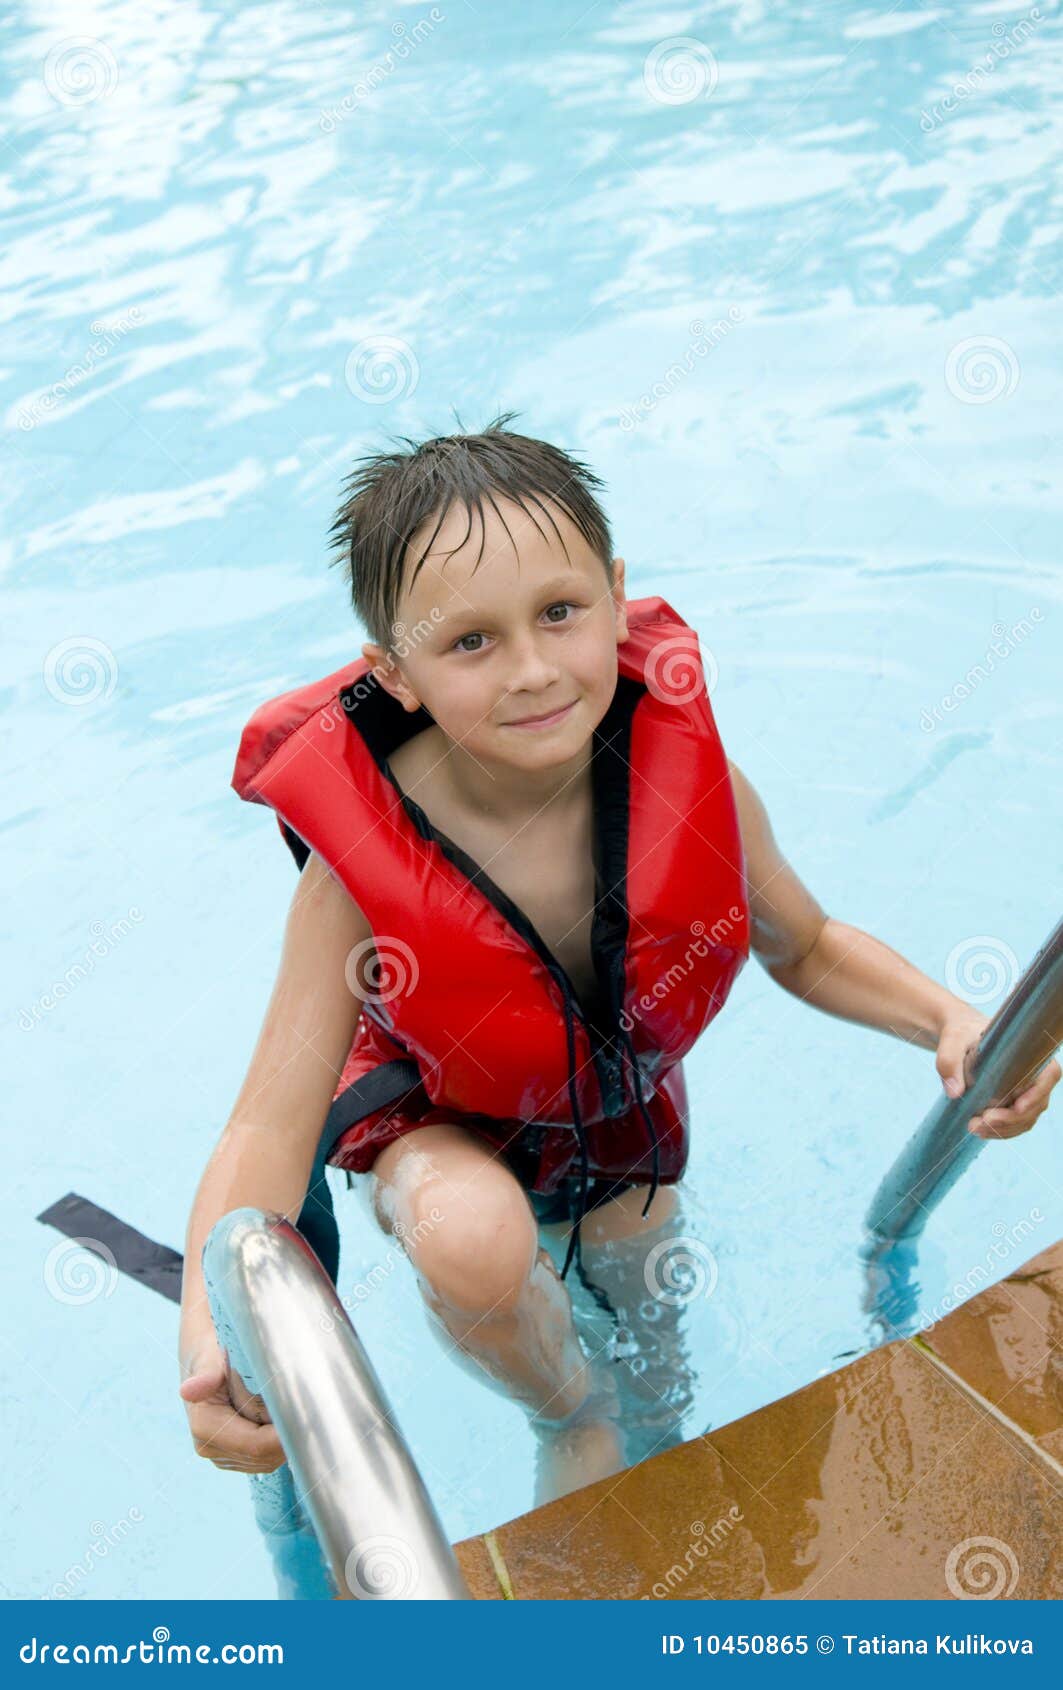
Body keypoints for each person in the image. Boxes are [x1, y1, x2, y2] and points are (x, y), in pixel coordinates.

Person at [178, 414, 1061, 1502]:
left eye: (559, 613)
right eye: (470, 642)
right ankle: (564, 1413)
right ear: (394, 674)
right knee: (475, 1245)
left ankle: (635, 1429)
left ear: (614, 594)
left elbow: (808, 944)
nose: (532, 670)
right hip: (436, 1118)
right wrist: (209, 1335)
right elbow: (268, 1125)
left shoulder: (680, 777)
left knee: (657, 1350)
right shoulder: (354, 871)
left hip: (612, 1112)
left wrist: (952, 1023)